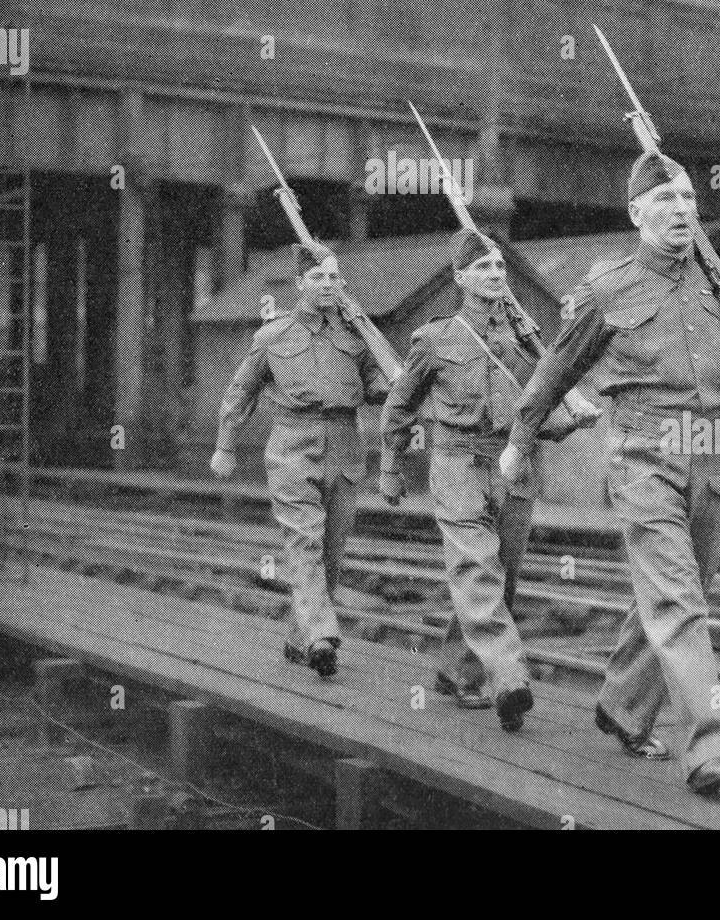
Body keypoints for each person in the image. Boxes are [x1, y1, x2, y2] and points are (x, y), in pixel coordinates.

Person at [500, 153, 720, 792]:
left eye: (687, 199)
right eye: (665, 200)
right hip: (643, 459)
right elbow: (553, 374)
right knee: (678, 603)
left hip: (717, 458)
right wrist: (518, 439)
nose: (681, 210)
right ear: (635, 214)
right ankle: (708, 747)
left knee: (679, 594)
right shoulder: (608, 289)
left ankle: (622, 703)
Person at [380, 227, 599, 732]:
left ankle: (456, 671)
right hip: (458, 462)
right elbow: (399, 407)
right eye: (482, 268)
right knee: (478, 569)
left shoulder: (528, 340)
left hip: (516, 464)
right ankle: (509, 677)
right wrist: (391, 469)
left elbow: (541, 402)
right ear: (459, 278)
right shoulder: (436, 339)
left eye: (500, 267)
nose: (495, 275)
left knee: (504, 574)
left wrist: (573, 415)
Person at [210, 244, 390, 679]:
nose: (326, 285)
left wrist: (392, 380)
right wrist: (226, 445)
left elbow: (376, 387)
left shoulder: (357, 337)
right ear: (299, 285)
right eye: (317, 278)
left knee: (331, 549)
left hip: (347, 443)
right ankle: (322, 636)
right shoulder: (273, 336)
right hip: (293, 444)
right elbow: (241, 392)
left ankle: (301, 638)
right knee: (303, 542)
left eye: (333, 278)